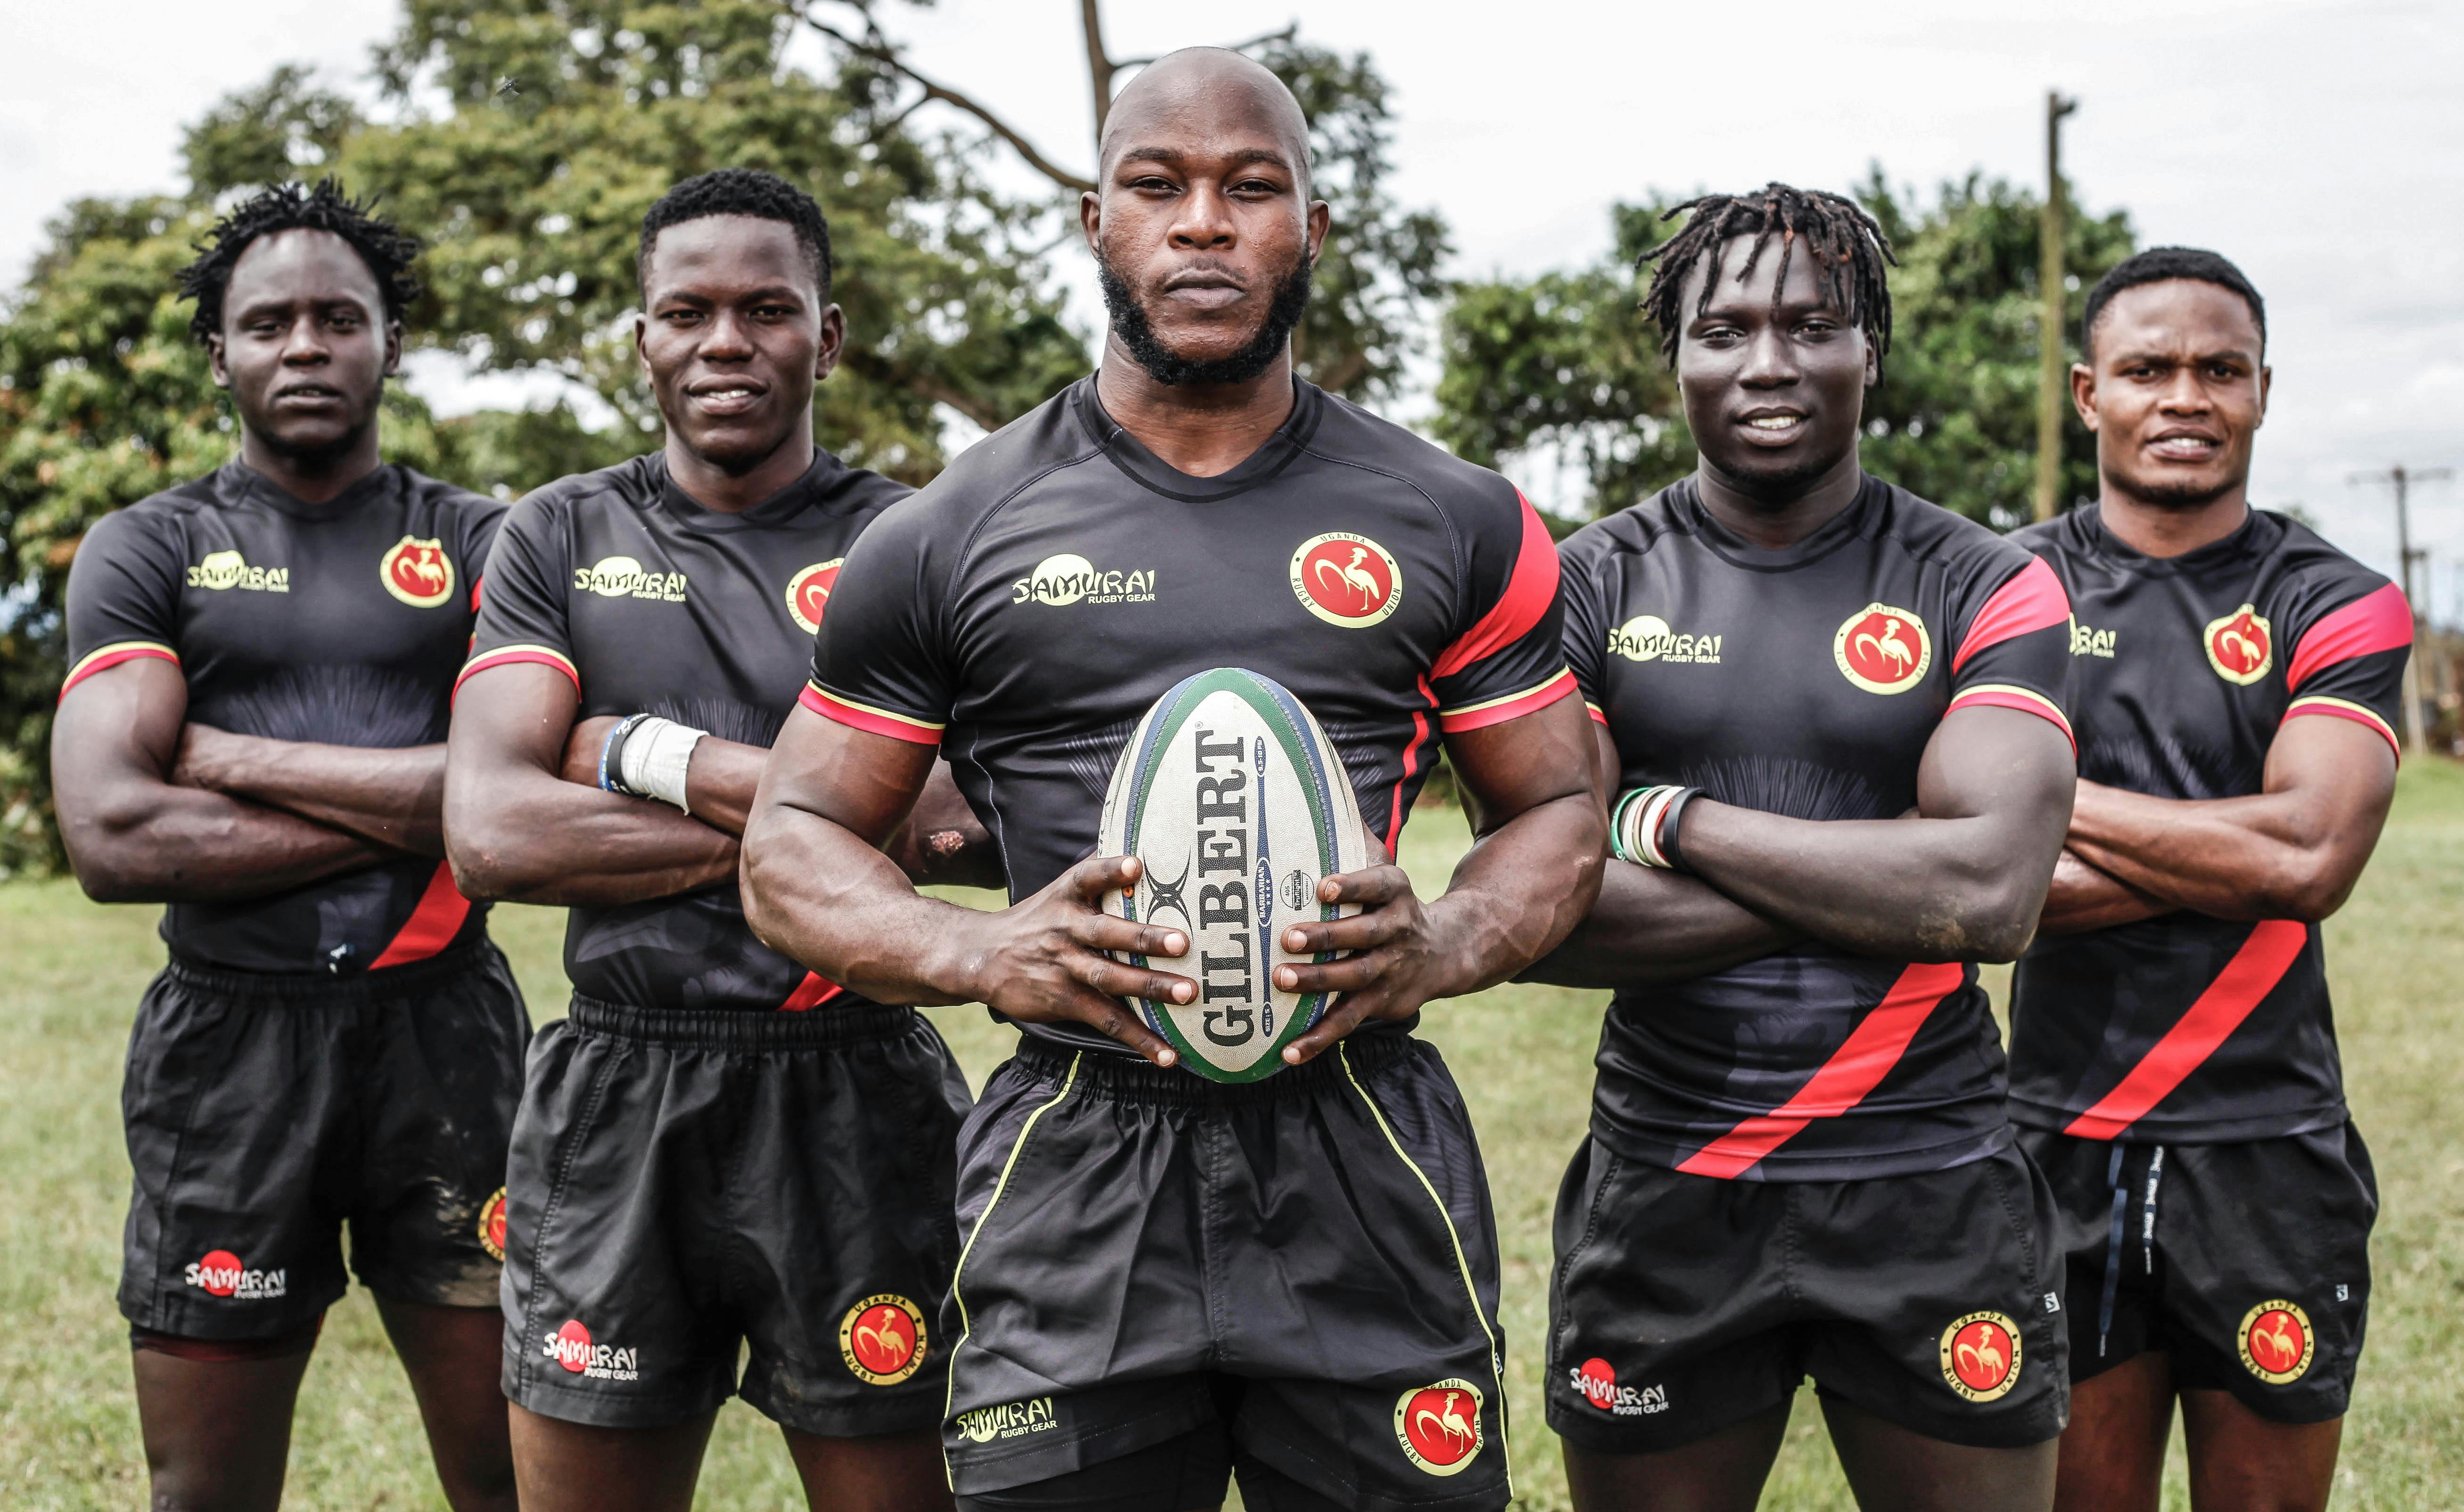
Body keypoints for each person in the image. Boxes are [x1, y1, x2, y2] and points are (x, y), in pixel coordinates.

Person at [738, 49, 1603, 1512]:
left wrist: (1442, 941)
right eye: (1158, 186)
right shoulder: (948, 531)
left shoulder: (1456, 518)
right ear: (1096, 220)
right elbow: (793, 839)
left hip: (1359, 1135)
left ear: (1313, 229)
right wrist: (976, 945)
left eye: (1250, 188)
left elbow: (1557, 809)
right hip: (1077, 1148)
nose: (1203, 223)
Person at [442, 169, 990, 1512]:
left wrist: (641, 754)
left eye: (767, 308)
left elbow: (956, 824)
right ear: (643, 339)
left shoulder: (911, 539)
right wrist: (828, 822)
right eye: (686, 311)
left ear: (829, 333)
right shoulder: (557, 531)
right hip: (621, 1083)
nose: (726, 341)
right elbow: (496, 830)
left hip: (859, 1084)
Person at [1529, 184, 2083, 1512]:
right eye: (1723, 330)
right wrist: (1881, 866)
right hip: (1667, 1175)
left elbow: (1991, 895)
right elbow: (1546, 911)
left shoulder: (1983, 581)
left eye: (1810, 323)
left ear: (1866, 349)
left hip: (1928, 1174)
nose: (1767, 360)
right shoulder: (1588, 582)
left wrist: (1670, 822)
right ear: (1675, 359)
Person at [50, 181, 522, 1512]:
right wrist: (415, 800)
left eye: (337, 318)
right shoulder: (150, 548)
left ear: (388, 341)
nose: (304, 345)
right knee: (207, 1491)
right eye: (269, 323)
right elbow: (110, 830)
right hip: (229, 1050)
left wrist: (220, 755)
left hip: (450, 1041)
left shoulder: (485, 539)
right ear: (222, 354)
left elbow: (509, 796)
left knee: (505, 1476)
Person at [2006, 247, 2406, 1512]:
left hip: (2267, 1144)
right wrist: (2229, 851)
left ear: (2261, 393)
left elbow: (2308, 855)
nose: (2184, 395)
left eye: (2217, 369)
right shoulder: (2000, 591)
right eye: (2147, 368)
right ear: (2087, 394)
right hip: (2053, 1130)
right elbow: (1978, 882)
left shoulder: (2334, 600)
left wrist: (2046, 803)